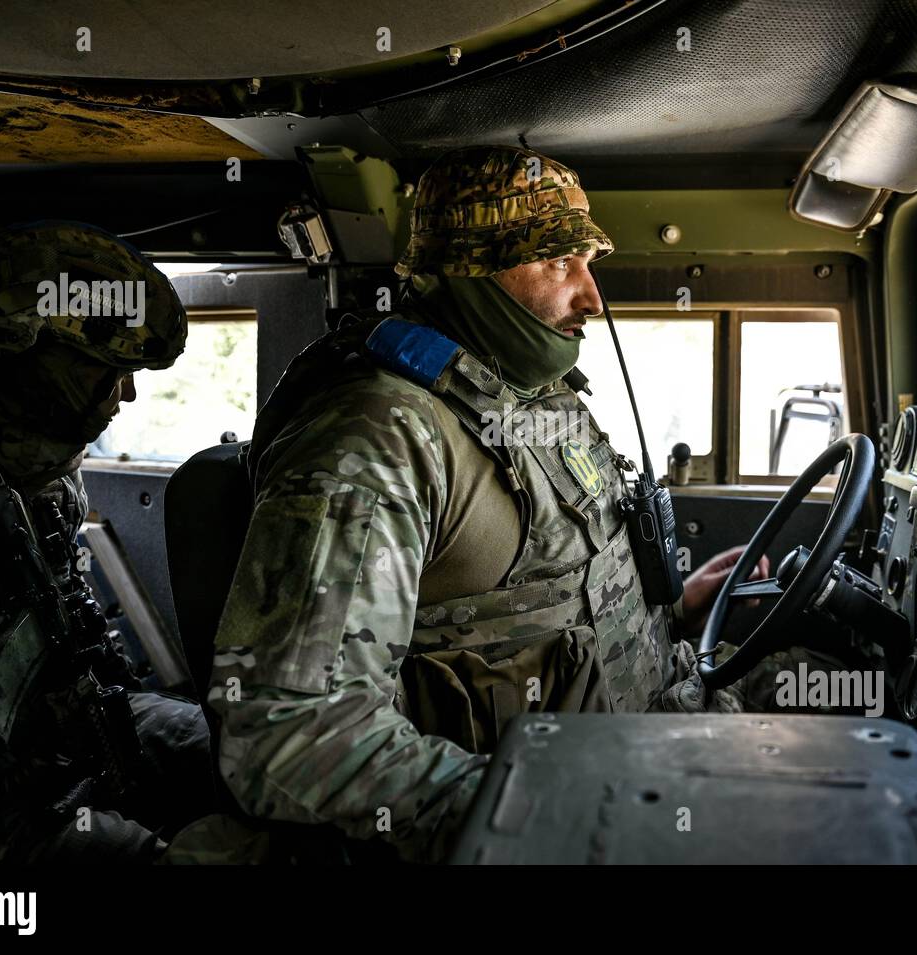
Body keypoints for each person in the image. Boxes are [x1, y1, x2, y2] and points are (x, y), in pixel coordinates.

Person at [204, 144, 876, 864]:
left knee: (865, 720)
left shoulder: (525, 391)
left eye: (587, 261)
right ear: (469, 265)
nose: (591, 295)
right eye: (558, 261)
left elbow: (545, 599)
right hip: (572, 812)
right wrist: (557, 816)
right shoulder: (377, 434)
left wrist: (676, 606)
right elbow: (290, 737)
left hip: (655, 724)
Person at [0, 220, 215, 863]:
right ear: (38, 365)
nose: (127, 392)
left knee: (231, 752)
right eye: (107, 371)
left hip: (62, 729)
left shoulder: (48, 476)